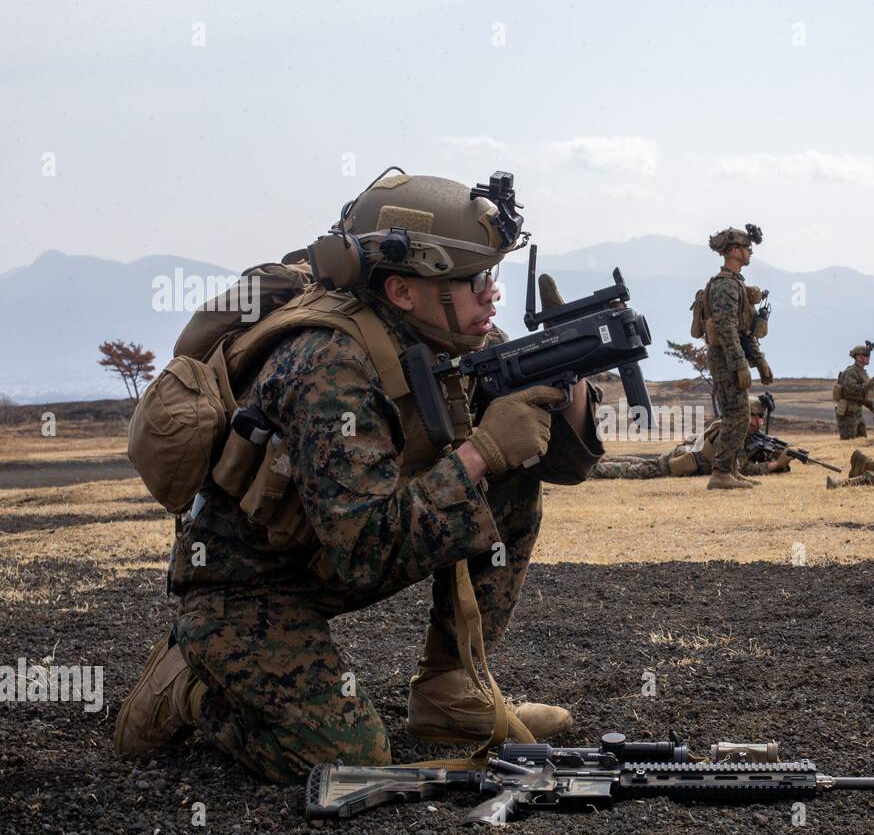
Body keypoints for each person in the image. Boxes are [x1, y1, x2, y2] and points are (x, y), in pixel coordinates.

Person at [114, 171, 604, 784]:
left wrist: (572, 369)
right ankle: (192, 688)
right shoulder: (329, 366)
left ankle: (451, 692)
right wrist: (479, 453)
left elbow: (559, 465)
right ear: (401, 290)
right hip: (247, 582)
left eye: (493, 277)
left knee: (512, 479)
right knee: (349, 760)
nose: (491, 297)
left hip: (326, 550)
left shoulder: (450, 336)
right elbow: (366, 554)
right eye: (474, 280)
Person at [699, 224, 772, 490]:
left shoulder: (736, 285)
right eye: (746, 247)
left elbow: (744, 329)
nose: (750, 252)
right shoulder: (725, 286)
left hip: (731, 359)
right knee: (736, 415)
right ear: (733, 251)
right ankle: (720, 473)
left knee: (739, 414)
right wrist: (740, 365)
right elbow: (726, 329)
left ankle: (730, 470)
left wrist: (760, 362)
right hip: (726, 361)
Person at [590, 396, 792, 482]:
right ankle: (590, 469)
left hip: (684, 455)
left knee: (643, 462)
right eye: (753, 416)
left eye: (760, 417)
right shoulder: (732, 434)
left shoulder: (738, 431)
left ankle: (599, 462)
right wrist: (774, 465)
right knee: (634, 471)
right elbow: (736, 469)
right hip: (681, 463)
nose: (757, 422)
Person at [834, 343, 874, 438]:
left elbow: (864, 396)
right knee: (848, 443)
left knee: (862, 441)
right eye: (866, 355)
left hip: (858, 413)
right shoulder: (850, 372)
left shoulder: (862, 372)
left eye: (868, 355)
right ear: (858, 357)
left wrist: (873, 409)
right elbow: (851, 390)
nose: (868, 358)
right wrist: (868, 385)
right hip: (848, 414)